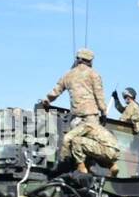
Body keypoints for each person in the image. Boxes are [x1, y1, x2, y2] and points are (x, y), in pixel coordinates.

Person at [41, 47, 119, 175]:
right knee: (92, 144)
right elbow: (99, 95)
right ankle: (102, 167)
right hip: (91, 117)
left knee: (74, 141)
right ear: (90, 60)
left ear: (78, 59)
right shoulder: (94, 74)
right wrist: (104, 112)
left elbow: (56, 91)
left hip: (76, 117)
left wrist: (47, 100)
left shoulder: (68, 74)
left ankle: (78, 168)